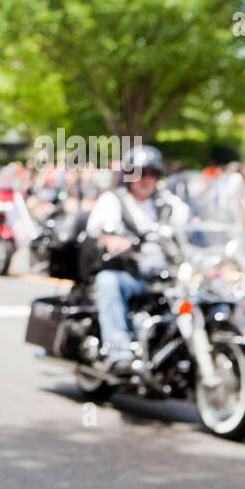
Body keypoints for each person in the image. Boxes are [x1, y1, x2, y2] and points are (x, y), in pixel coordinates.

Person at [85, 145, 190, 374]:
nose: (147, 179)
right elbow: (101, 230)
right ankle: (119, 352)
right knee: (108, 281)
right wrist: (114, 240)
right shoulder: (113, 200)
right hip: (130, 273)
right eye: (141, 172)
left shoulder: (166, 202)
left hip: (166, 276)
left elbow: (191, 224)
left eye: (153, 173)